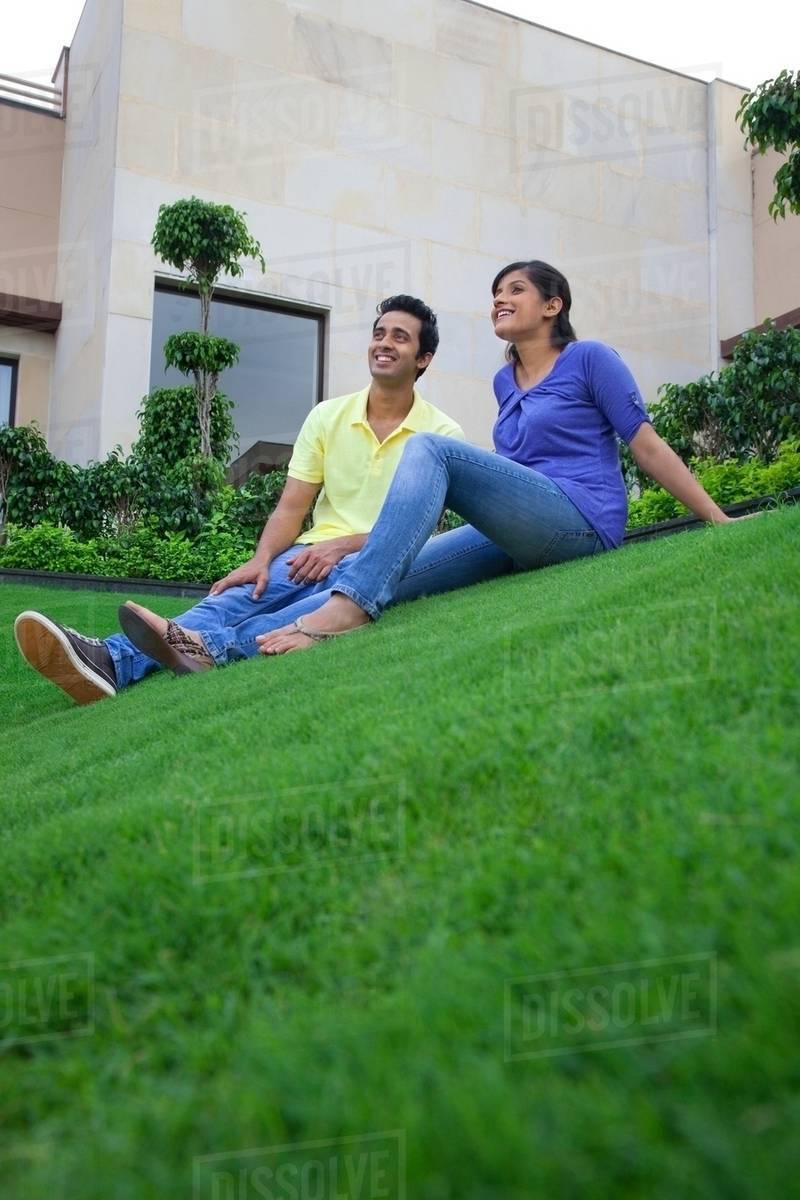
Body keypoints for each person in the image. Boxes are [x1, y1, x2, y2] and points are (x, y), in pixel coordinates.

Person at [248, 259, 750, 655]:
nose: (499, 300)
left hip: (583, 522)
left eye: (515, 290)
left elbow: (646, 446)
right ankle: (228, 643)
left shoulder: (590, 358)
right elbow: (516, 473)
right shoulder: (503, 381)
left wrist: (716, 518)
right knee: (392, 571)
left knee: (429, 447)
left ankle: (350, 612)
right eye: (495, 293)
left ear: (553, 305)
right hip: (523, 530)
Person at [14, 295, 464, 704]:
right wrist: (263, 558)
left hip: (374, 561)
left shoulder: (442, 435)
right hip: (307, 553)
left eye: (399, 338)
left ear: (423, 358)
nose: (383, 344)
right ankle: (108, 661)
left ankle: (164, 657)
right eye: (378, 333)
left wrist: (342, 546)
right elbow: (291, 505)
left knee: (293, 614)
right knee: (231, 600)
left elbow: (420, 524)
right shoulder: (328, 415)